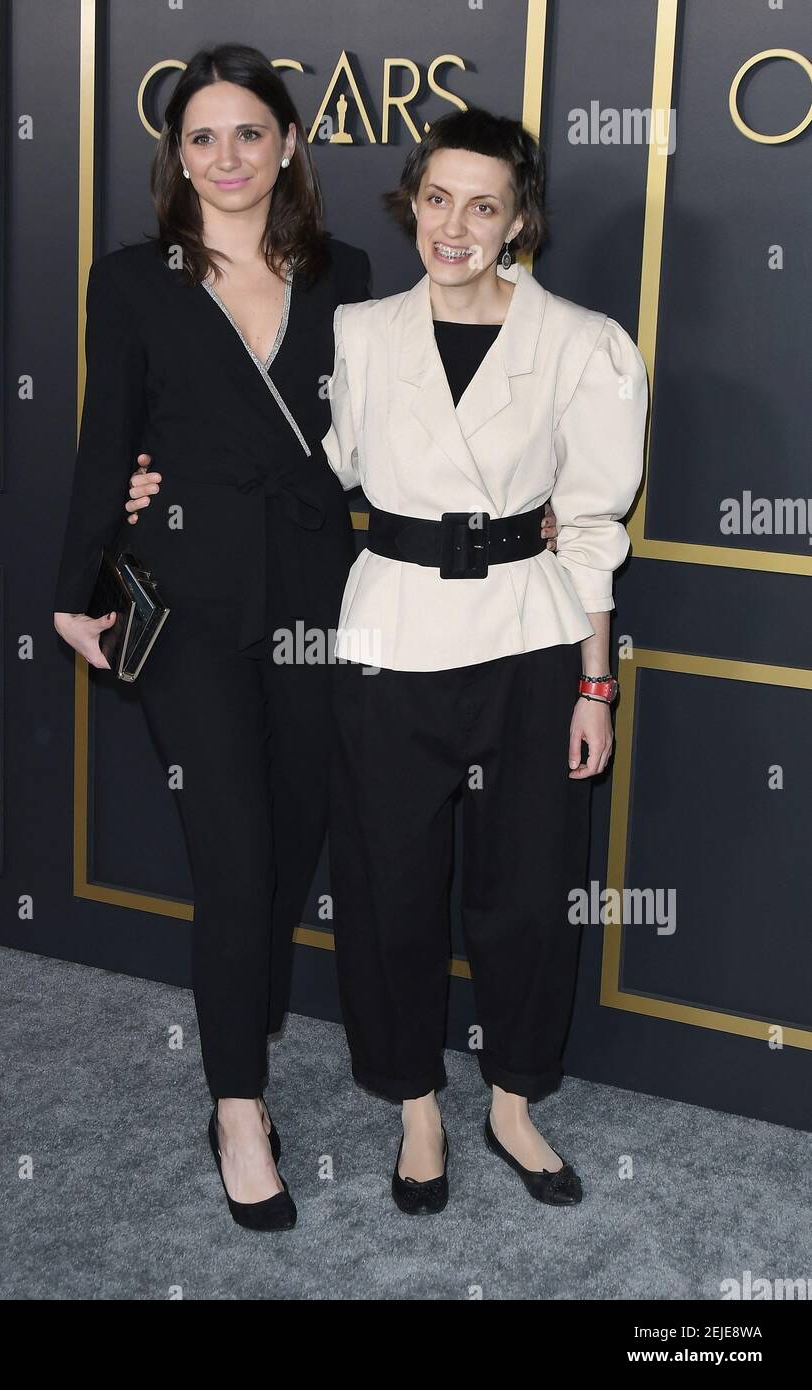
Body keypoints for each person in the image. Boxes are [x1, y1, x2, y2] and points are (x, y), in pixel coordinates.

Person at [52, 44, 375, 1231]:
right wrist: (74, 583)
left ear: (287, 144)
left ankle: (245, 1009)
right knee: (234, 859)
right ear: (175, 155)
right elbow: (105, 443)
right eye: (202, 137)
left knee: (292, 844)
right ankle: (238, 1106)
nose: (226, 157)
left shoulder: (353, 274)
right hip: (186, 602)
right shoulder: (132, 281)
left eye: (250, 133)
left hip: (320, 595)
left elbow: (398, 431)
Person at [319, 107, 648, 1213]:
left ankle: (512, 1100)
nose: (455, 225)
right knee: (388, 886)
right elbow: (310, 471)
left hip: (531, 640)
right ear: (413, 201)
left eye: (484, 205)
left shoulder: (585, 344)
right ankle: (415, 1104)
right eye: (437, 198)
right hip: (387, 633)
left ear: (519, 221)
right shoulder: (357, 333)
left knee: (524, 891)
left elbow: (595, 528)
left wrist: (595, 682)